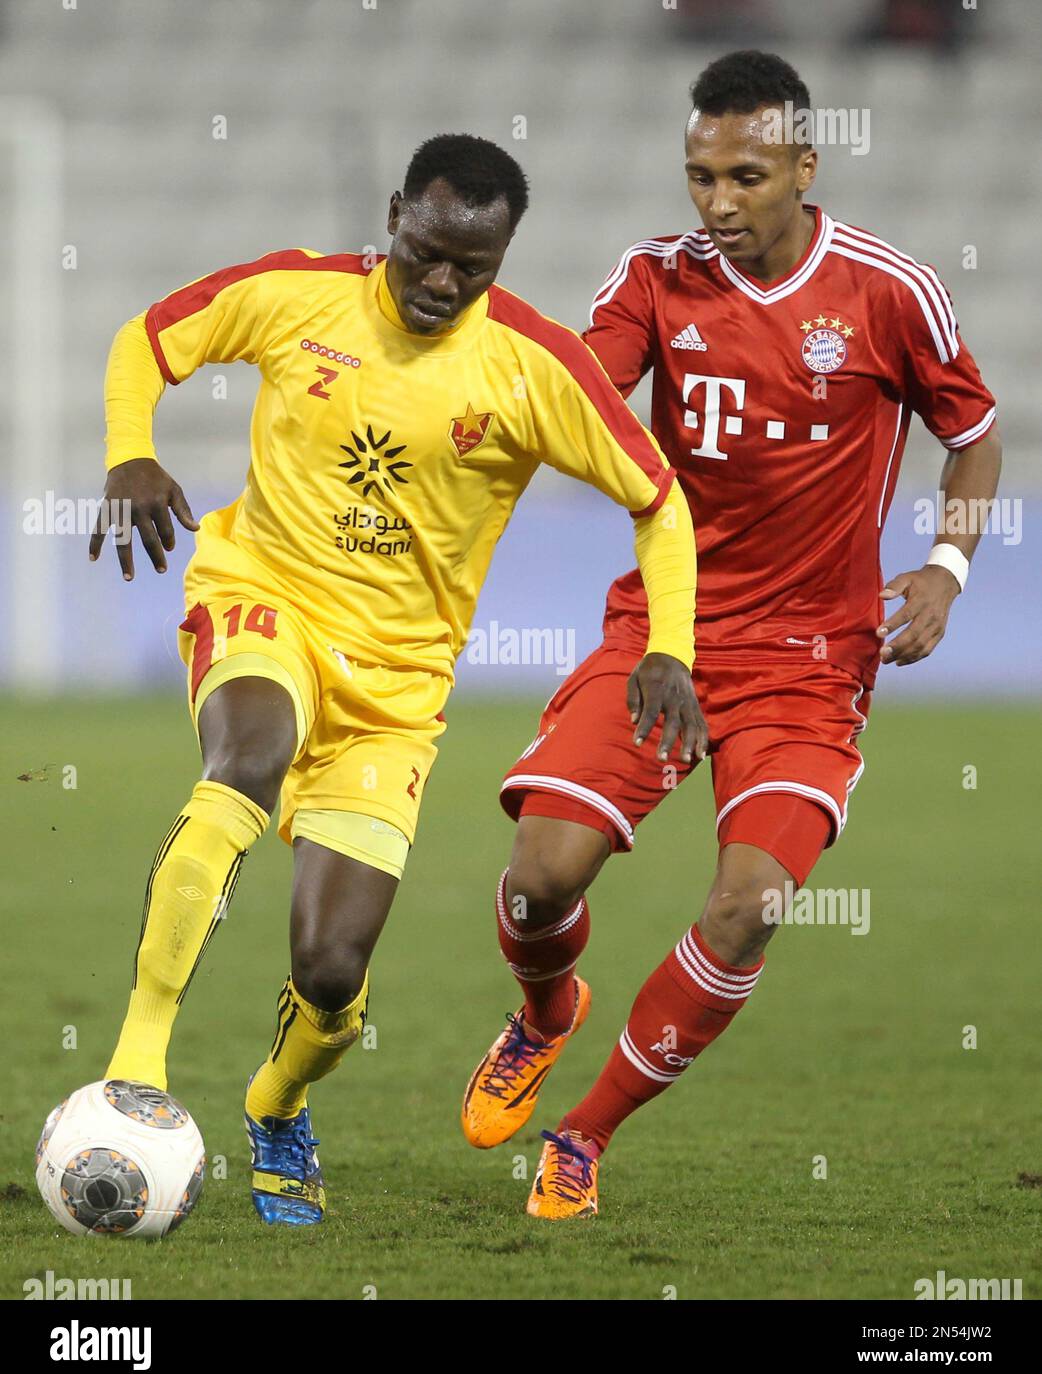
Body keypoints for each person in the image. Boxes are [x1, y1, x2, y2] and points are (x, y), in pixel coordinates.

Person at [91, 132, 705, 1226]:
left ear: (503, 255)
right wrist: (129, 448)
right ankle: (136, 1063)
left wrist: (672, 646)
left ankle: (276, 1100)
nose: (440, 282)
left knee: (329, 973)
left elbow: (659, 501)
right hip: (264, 595)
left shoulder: (534, 365)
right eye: (424, 250)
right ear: (393, 214)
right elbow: (148, 337)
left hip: (398, 687)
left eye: (472, 266)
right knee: (248, 758)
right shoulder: (295, 294)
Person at [460, 52, 1001, 1219]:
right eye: (699, 176)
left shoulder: (887, 291)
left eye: (744, 176)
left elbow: (975, 431)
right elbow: (580, 404)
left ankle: (585, 1134)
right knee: (540, 881)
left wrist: (945, 570)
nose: (716, 202)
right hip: (664, 636)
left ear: (803, 167)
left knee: (749, 903)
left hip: (810, 663)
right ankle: (546, 1011)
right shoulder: (655, 281)